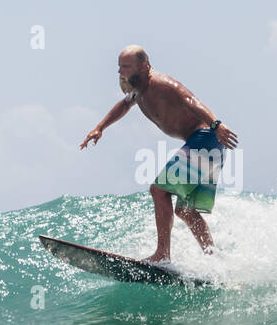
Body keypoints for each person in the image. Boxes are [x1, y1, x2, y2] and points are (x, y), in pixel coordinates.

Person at [80, 45, 238, 263]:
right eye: (119, 67)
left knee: (159, 190)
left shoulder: (162, 84)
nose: (120, 72)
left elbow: (191, 100)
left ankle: (162, 254)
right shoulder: (139, 91)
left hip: (206, 139)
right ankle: (214, 260)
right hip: (206, 143)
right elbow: (123, 105)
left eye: (126, 66)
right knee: (186, 210)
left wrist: (216, 124)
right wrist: (100, 127)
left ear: (143, 66)